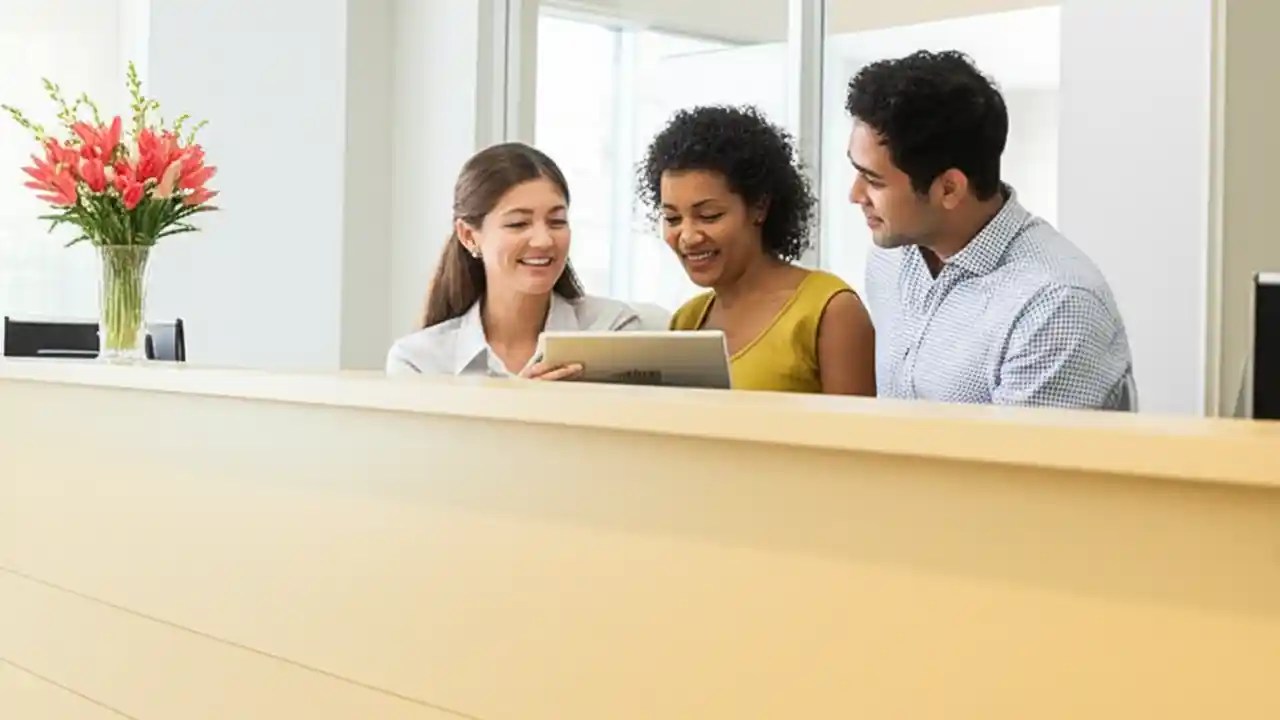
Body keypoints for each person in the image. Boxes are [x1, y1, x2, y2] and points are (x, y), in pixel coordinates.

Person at [846, 51, 1136, 409]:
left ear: (949, 189)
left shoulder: (1056, 305)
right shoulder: (890, 259)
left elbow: (1019, 464)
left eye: (873, 180)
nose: (855, 195)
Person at [639, 105, 876, 395]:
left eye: (709, 215)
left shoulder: (830, 311)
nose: (687, 236)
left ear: (759, 207)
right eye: (673, 219)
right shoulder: (687, 321)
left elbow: (853, 435)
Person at [386, 142, 641, 378]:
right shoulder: (419, 362)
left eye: (557, 222)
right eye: (518, 224)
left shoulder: (613, 330)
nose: (543, 240)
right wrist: (521, 401)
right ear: (468, 236)